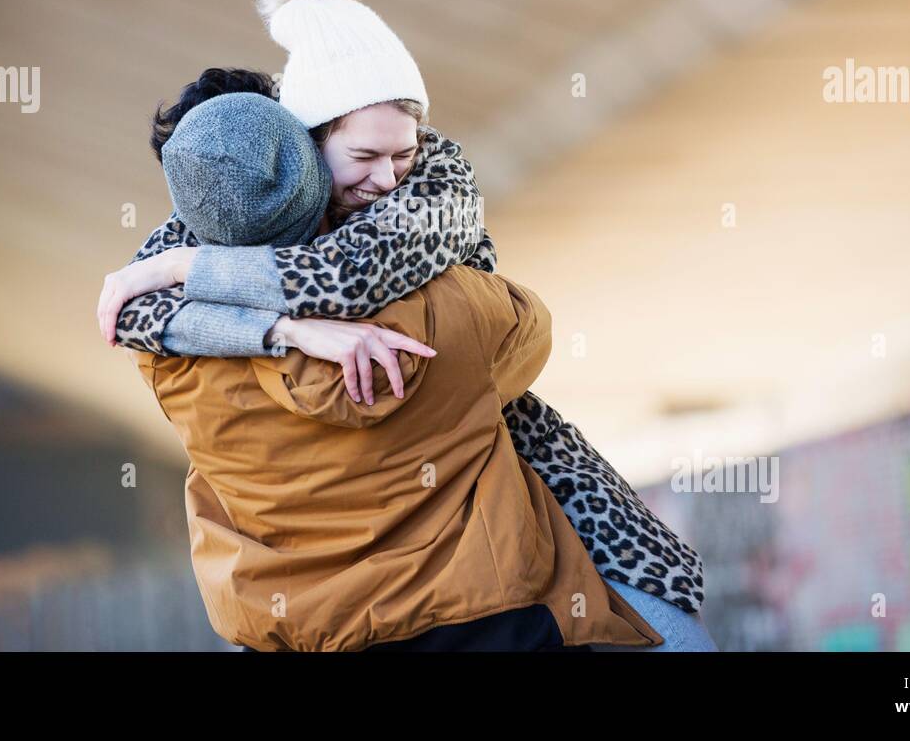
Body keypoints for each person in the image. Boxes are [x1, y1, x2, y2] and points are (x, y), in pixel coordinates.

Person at [97, 0, 716, 649]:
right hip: (479, 569)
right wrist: (290, 332)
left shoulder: (437, 190)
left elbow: (346, 273)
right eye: (363, 156)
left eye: (404, 151)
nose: (388, 176)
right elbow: (135, 312)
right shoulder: (255, 203)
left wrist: (178, 274)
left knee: (666, 614)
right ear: (304, 145)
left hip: (303, 606)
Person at [133, 91, 664, 651]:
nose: (385, 180)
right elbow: (531, 332)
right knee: (674, 629)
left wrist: (264, 319)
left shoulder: (164, 351)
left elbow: (141, 311)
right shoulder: (449, 308)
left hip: (296, 633)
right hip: (482, 618)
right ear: (311, 163)